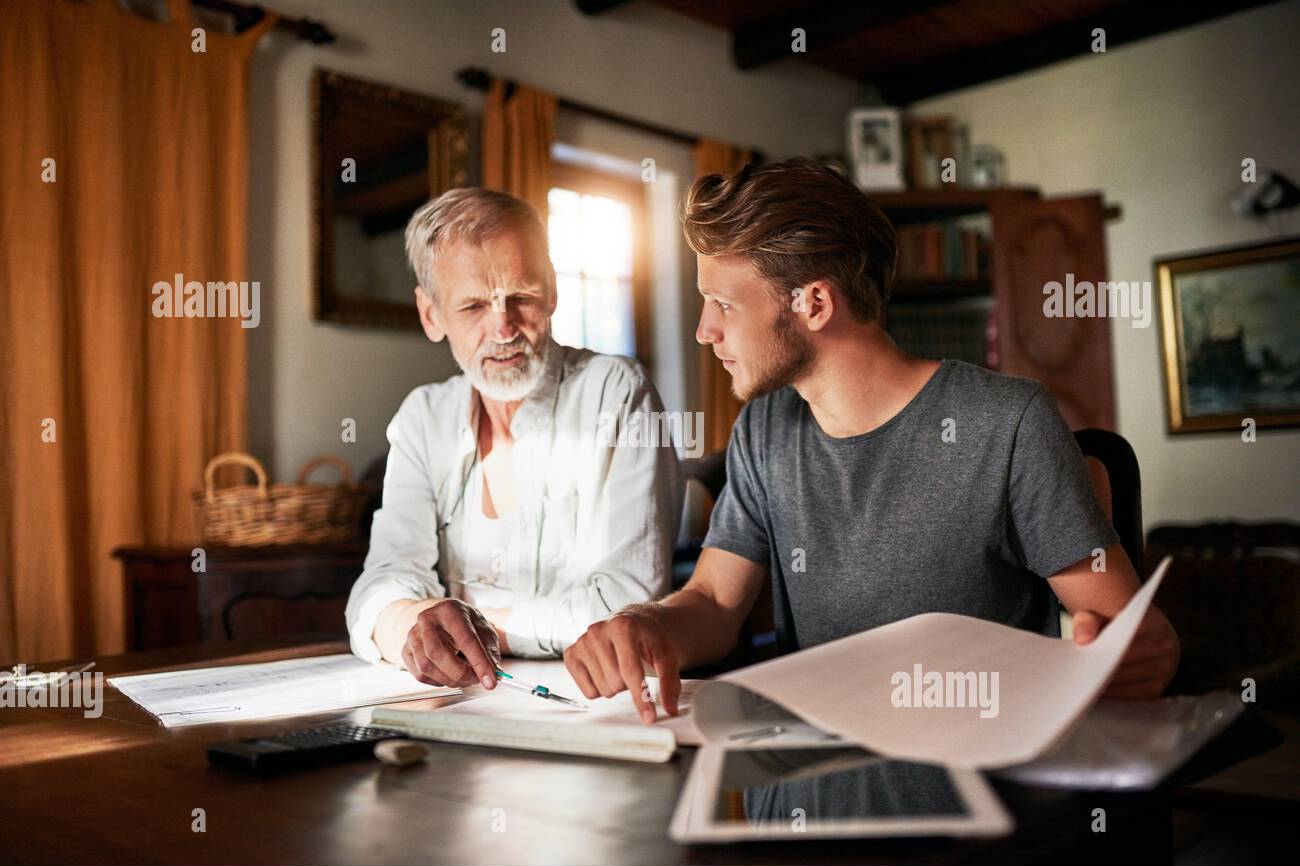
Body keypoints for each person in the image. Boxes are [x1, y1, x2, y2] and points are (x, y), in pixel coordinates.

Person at [563, 158, 1179, 723]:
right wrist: (645, 625)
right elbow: (716, 603)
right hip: (799, 802)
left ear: (815, 303)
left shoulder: (1008, 423)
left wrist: (1140, 654)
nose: (704, 330)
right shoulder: (762, 432)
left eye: (723, 303)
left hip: (973, 804)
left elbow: (1135, 636)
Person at [346, 187, 683, 690]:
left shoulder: (616, 393)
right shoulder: (423, 417)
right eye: (474, 306)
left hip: (590, 699)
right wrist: (410, 628)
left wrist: (473, 625)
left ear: (551, 290)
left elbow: (625, 604)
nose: (503, 328)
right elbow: (380, 585)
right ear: (431, 314)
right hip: (457, 701)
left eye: (521, 297)